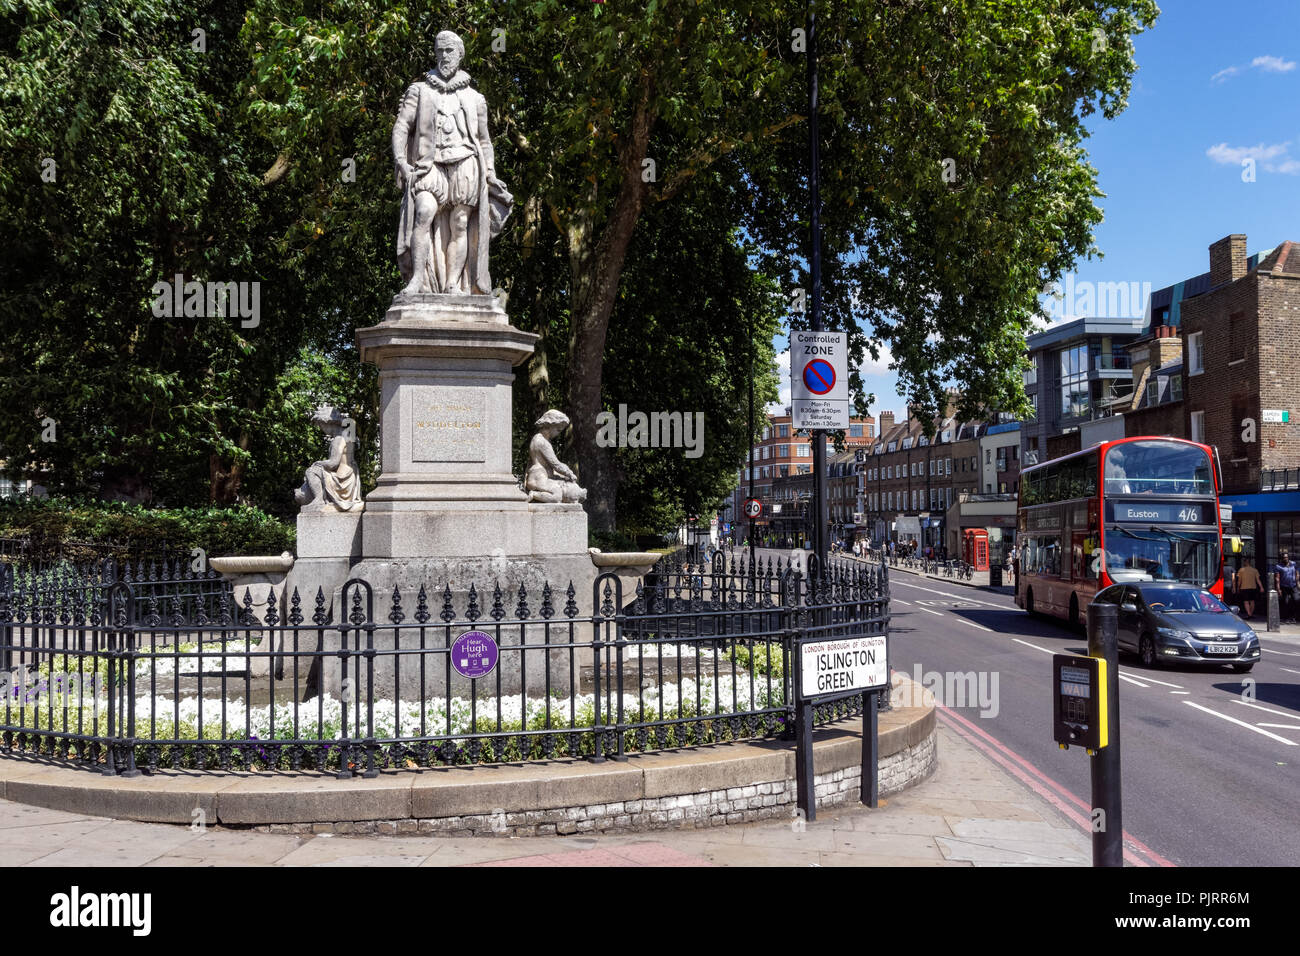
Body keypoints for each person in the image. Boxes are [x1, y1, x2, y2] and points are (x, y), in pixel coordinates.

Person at [1273, 551, 1299, 624]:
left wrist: (1298, 584)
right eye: (1284, 557)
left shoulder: (1293, 564)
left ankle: (1294, 617)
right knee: (1286, 602)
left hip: (1293, 585)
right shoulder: (1278, 566)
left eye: (1287, 557)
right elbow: (1277, 578)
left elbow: (1297, 574)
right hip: (1284, 586)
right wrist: (1278, 589)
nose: (1286, 559)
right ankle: (1287, 618)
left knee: (1296, 599)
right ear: (1281, 558)